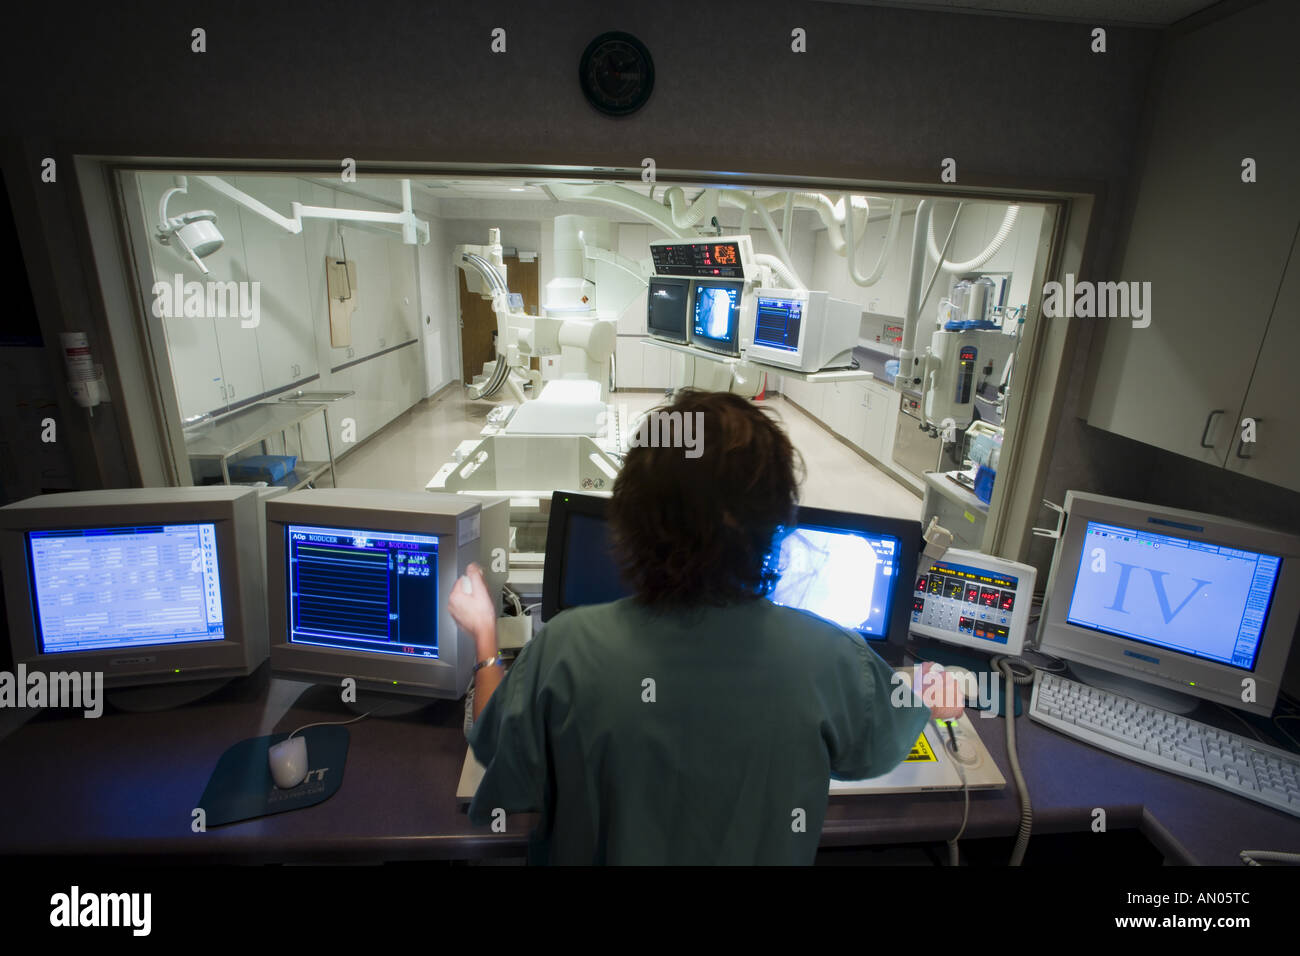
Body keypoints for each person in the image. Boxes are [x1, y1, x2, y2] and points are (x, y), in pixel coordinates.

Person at [448, 389, 963, 865]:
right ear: (777, 524)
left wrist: (486, 639)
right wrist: (925, 691)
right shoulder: (828, 658)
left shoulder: (565, 649)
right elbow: (875, 748)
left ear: (628, 517)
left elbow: (493, 743)